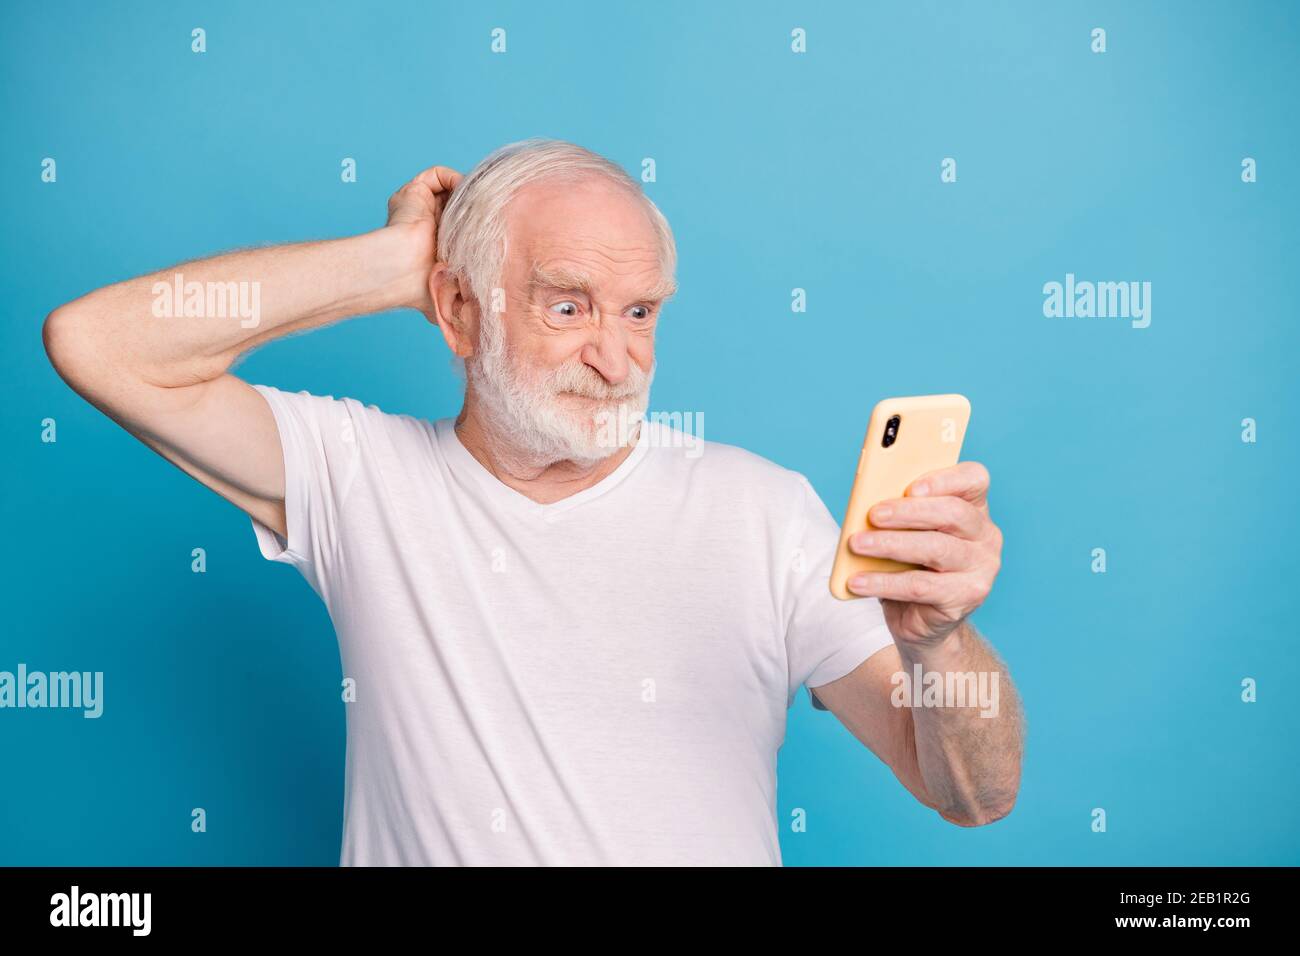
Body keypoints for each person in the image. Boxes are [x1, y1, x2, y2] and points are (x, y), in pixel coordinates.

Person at [42, 138, 1022, 865]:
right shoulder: (360, 479)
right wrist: (390, 266)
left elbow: (973, 792)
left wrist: (939, 640)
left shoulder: (761, 511)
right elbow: (101, 344)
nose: (617, 356)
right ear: (461, 310)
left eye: (640, 312)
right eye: (567, 305)